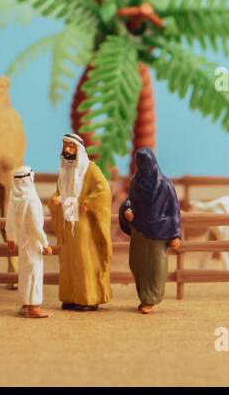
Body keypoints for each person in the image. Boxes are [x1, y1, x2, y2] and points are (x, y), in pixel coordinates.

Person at [49, 133, 112, 311]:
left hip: (83, 223)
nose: (67, 150)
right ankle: (70, 295)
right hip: (68, 221)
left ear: (78, 149)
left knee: (84, 259)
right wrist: (55, 199)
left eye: (71, 146)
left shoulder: (90, 169)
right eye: (65, 146)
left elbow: (104, 190)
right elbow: (60, 192)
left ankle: (87, 297)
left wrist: (88, 203)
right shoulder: (64, 171)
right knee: (69, 261)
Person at [118, 147, 181, 314]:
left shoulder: (165, 185)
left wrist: (175, 234)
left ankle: (150, 299)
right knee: (137, 264)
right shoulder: (135, 183)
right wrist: (127, 211)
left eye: (146, 162)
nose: (143, 166)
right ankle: (143, 296)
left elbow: (174, 210)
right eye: (140, 163)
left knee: (156, 267)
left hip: (158, 233)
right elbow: (130, 201)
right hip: (139, 230)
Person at [5, 166, 52, 318]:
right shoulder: (31, 200)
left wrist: (11, 238)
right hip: (33, 243)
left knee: (25, 273)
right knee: (34, 273)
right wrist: (45, 243)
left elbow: (10, 220)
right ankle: (33, 306)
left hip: (22, 242)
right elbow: (35, 226)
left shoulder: (14, 199)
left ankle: (25, 303)